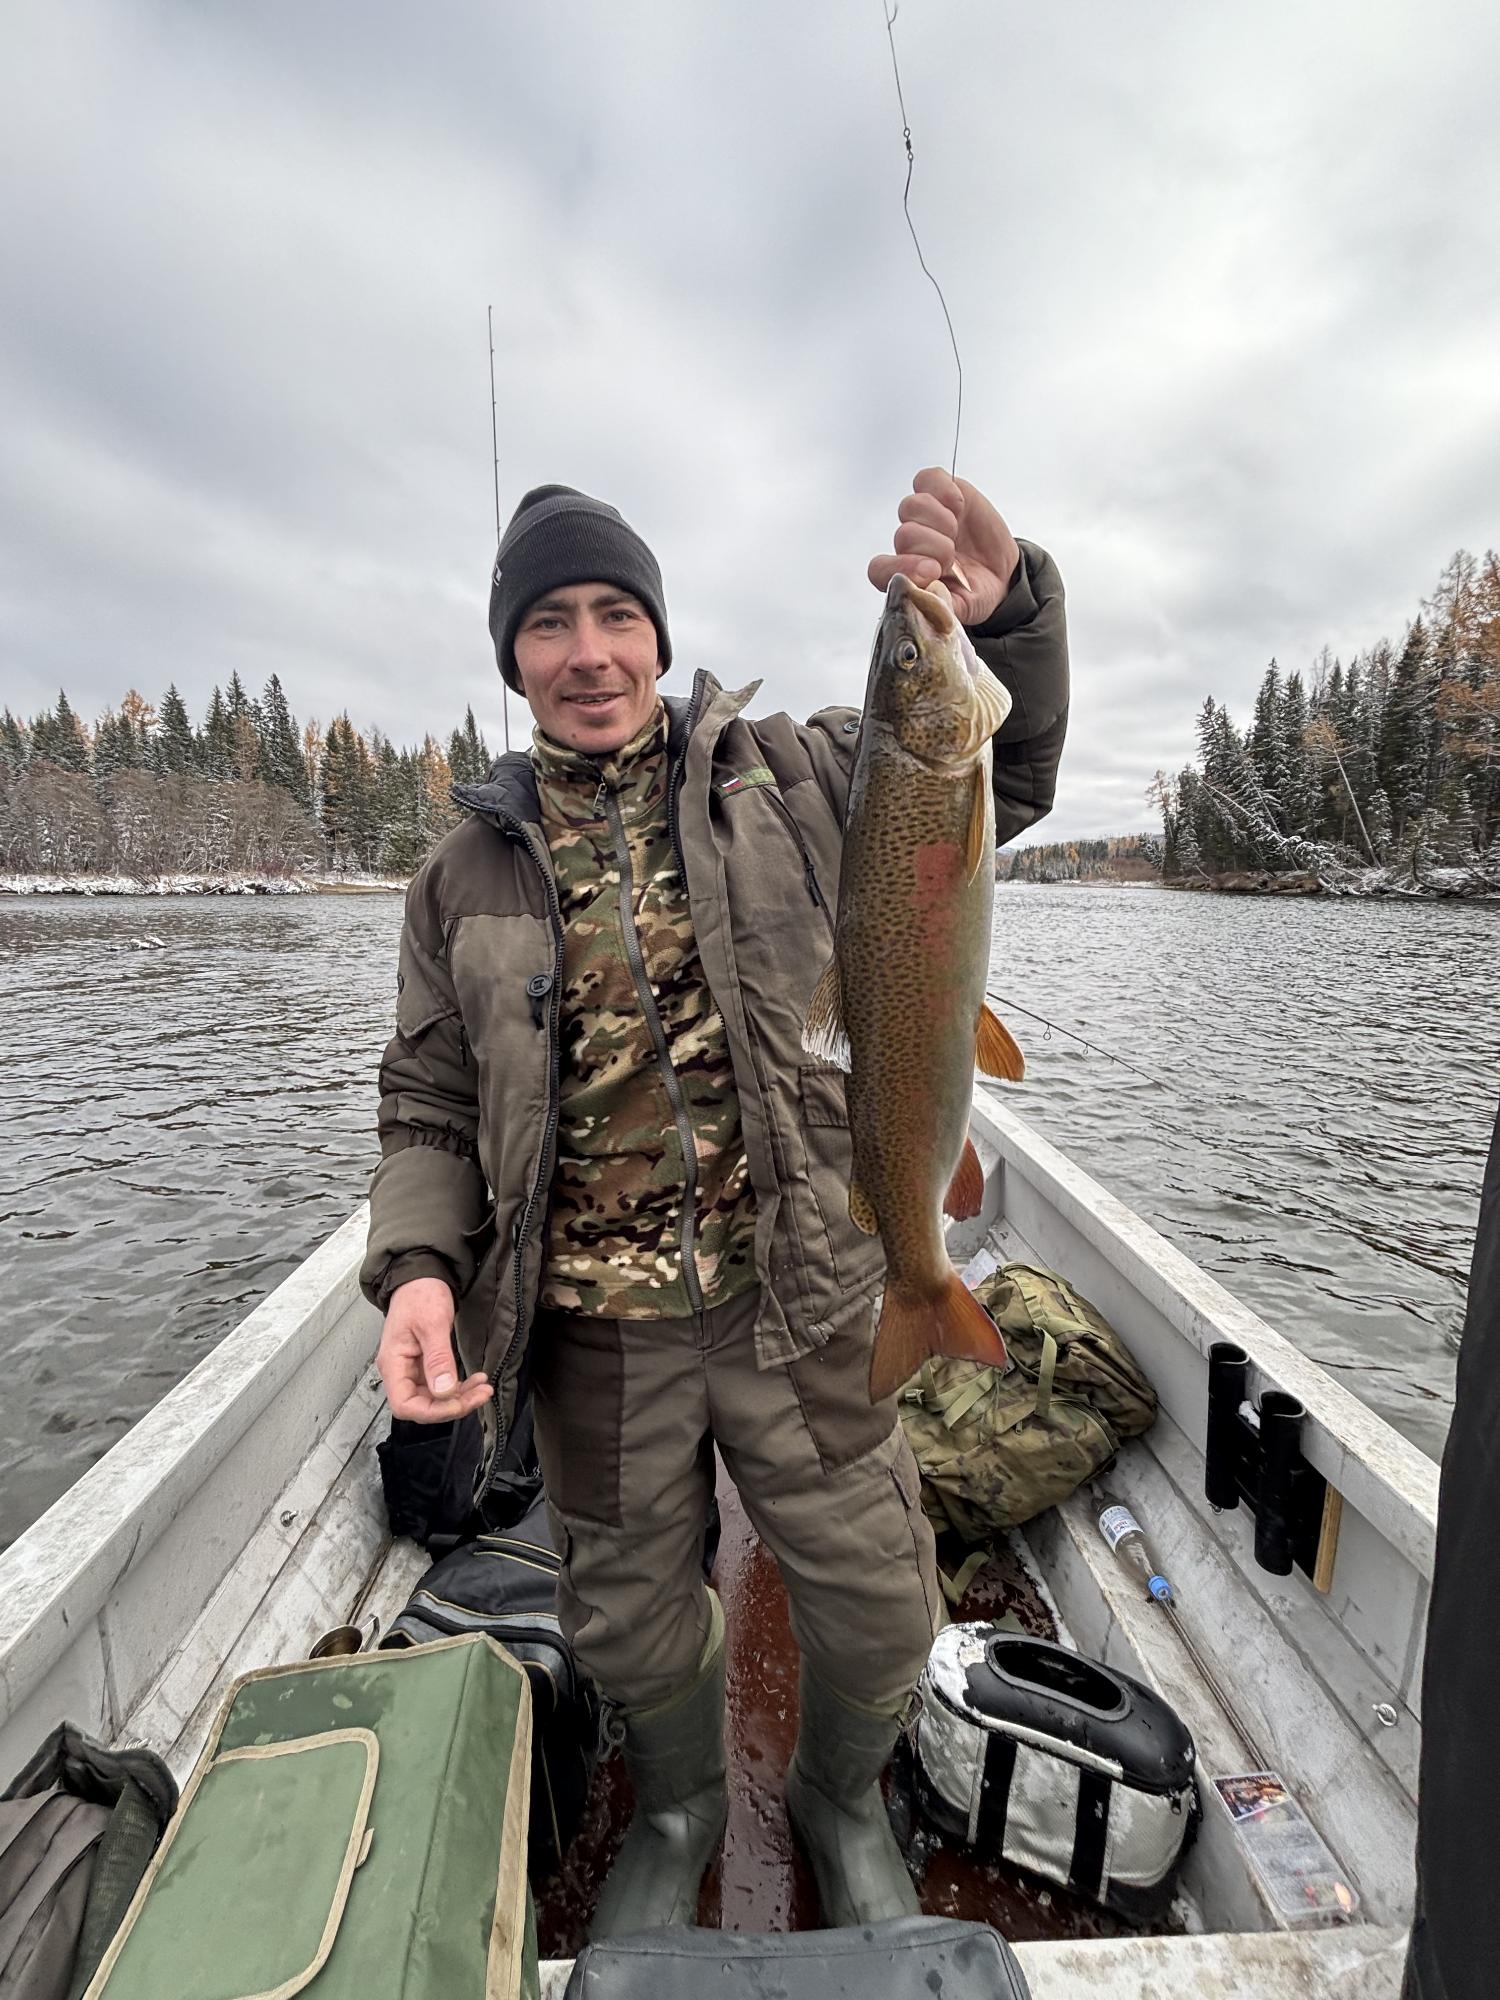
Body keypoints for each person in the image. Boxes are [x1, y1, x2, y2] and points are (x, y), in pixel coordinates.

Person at [359, 468, 1069, 1936]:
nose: (589, 651)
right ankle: (679, 1804)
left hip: (797, 1292)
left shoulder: (796, 776)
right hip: (594, 1336)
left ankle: (836, 1795)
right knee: (622, 1618)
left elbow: (1001, 768)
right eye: (549, 623)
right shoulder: (457, 877)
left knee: (880, 1604)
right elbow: (428, 1102)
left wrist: (1010, 623)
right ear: (512, 658)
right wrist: (421, 1269)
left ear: (659, 635)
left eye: (617, 613)